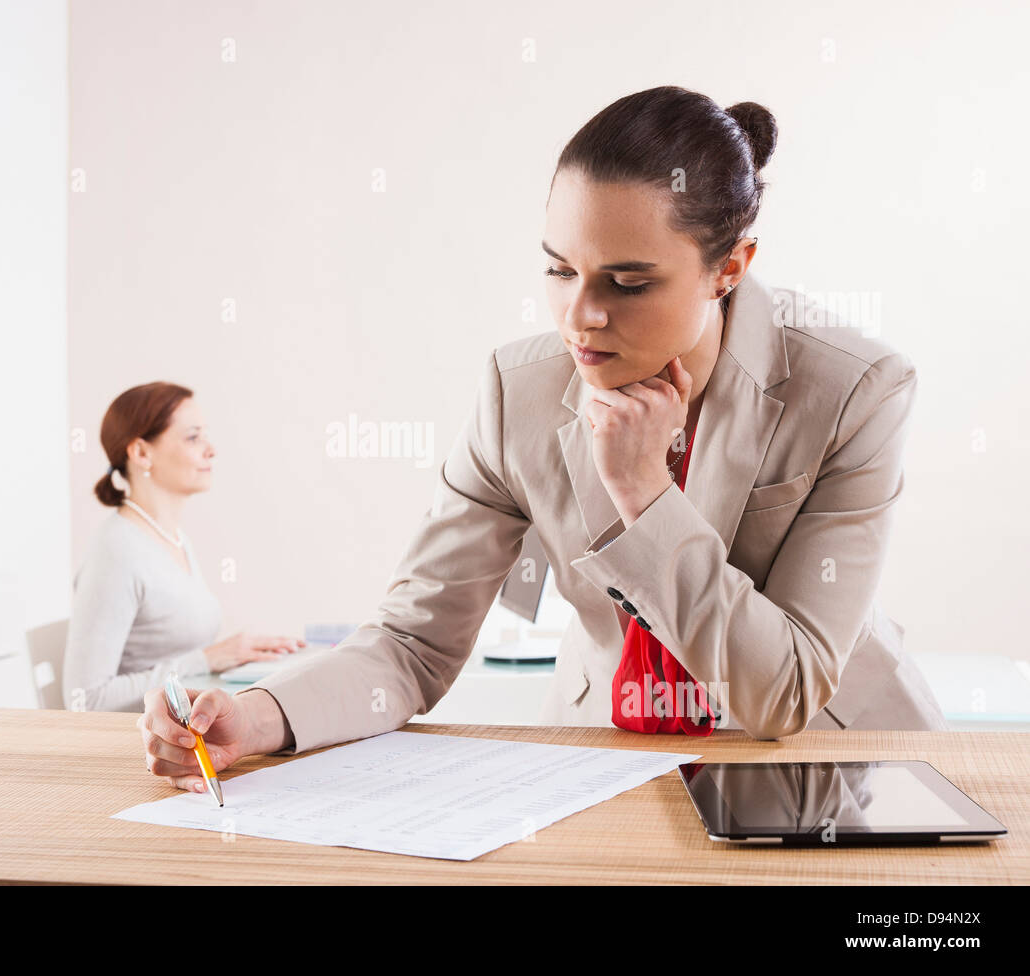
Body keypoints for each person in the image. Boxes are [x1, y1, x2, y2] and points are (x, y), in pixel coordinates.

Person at [138, 86, 946, 792]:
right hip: (609, 762)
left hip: (832, 769)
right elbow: (412, 646)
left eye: (628, 283)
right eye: (560, 271)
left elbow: (784, 692)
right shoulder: (517, 393)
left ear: (731, 265)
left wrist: (645, 495)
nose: (580, 317)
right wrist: (256, 715)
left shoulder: (854, 390)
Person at [63, 381, 303, 711]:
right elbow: (86, 700)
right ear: (142, 453)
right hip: (142, 746)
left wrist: (234, 658)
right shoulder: (116, 552)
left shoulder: (171, 537)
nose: (211, 450)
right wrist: (207, 660)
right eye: (193, 437)